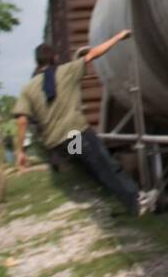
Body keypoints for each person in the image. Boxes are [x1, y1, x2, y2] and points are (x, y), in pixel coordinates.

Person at [13, 31, 159, 216]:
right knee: (105, 165)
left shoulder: (28, 88)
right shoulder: (67, 71)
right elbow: (93, 54)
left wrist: (20, 151)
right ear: (54, 58)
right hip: (74, 134)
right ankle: (136, 202)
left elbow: (22, 120)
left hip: (56, 144)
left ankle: (113, 200)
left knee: (92, 166)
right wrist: (117, 37)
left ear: (37, 62)